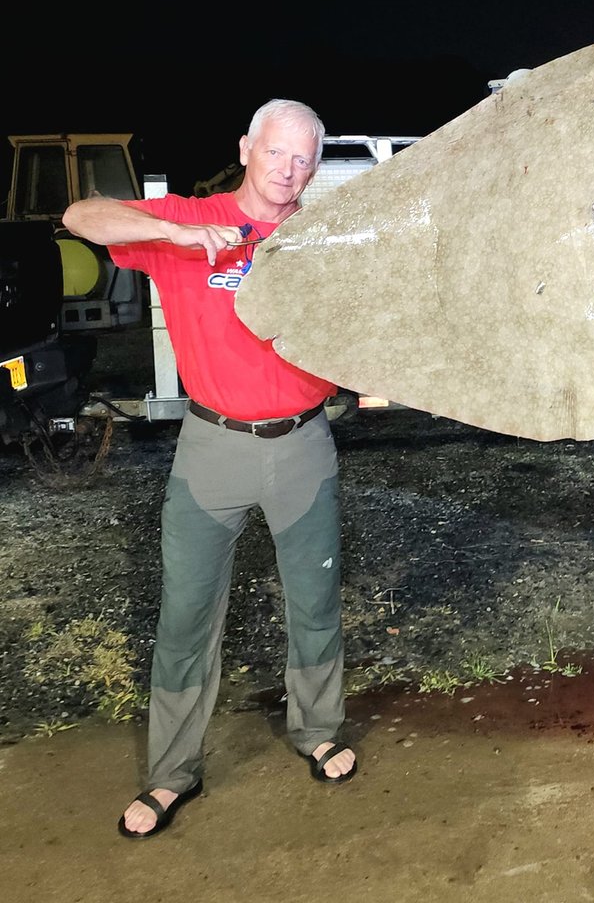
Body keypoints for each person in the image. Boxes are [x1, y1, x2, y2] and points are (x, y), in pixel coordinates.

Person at [63, 98, 357, 838]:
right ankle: (171, 776)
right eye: (277, 152)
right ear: (246, 148)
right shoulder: (191, 220)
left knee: (315, 604)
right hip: (211, 450)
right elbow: (78, 218)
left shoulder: (321, 236)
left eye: (304, 158)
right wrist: (172, 232)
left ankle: (318, 731)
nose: (290, 170)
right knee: (186, 617)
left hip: (303, 446)